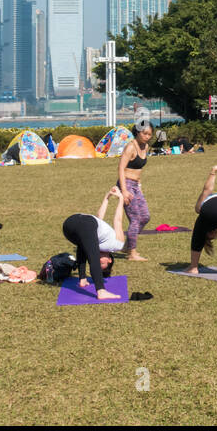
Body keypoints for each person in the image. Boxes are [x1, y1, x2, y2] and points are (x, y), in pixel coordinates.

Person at [61, 186, 128, 300]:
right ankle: (101, 291)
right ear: (109, 260)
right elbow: (117, 220)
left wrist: (107, 197)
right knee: (91, 254)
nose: (99, 262)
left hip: (69, 227)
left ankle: (82, 279)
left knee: (83, 246)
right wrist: (119, 198)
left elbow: (97, 219)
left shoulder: (95, 241)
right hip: (79, 221)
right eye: (102, 264)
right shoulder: (118, 245)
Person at [117, 118, 155, 261]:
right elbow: (121, 168)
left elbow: (138, 169)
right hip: (126, 184)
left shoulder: (146, 147)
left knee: (145, 217)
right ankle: (132, 253)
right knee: (135, 218)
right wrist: (124, 190)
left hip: (136, 185)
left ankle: (127, 245)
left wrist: (139, 186)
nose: (147, 137)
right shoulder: (130, 147)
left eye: (149, 134)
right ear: (138, 132)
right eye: (144, 133)